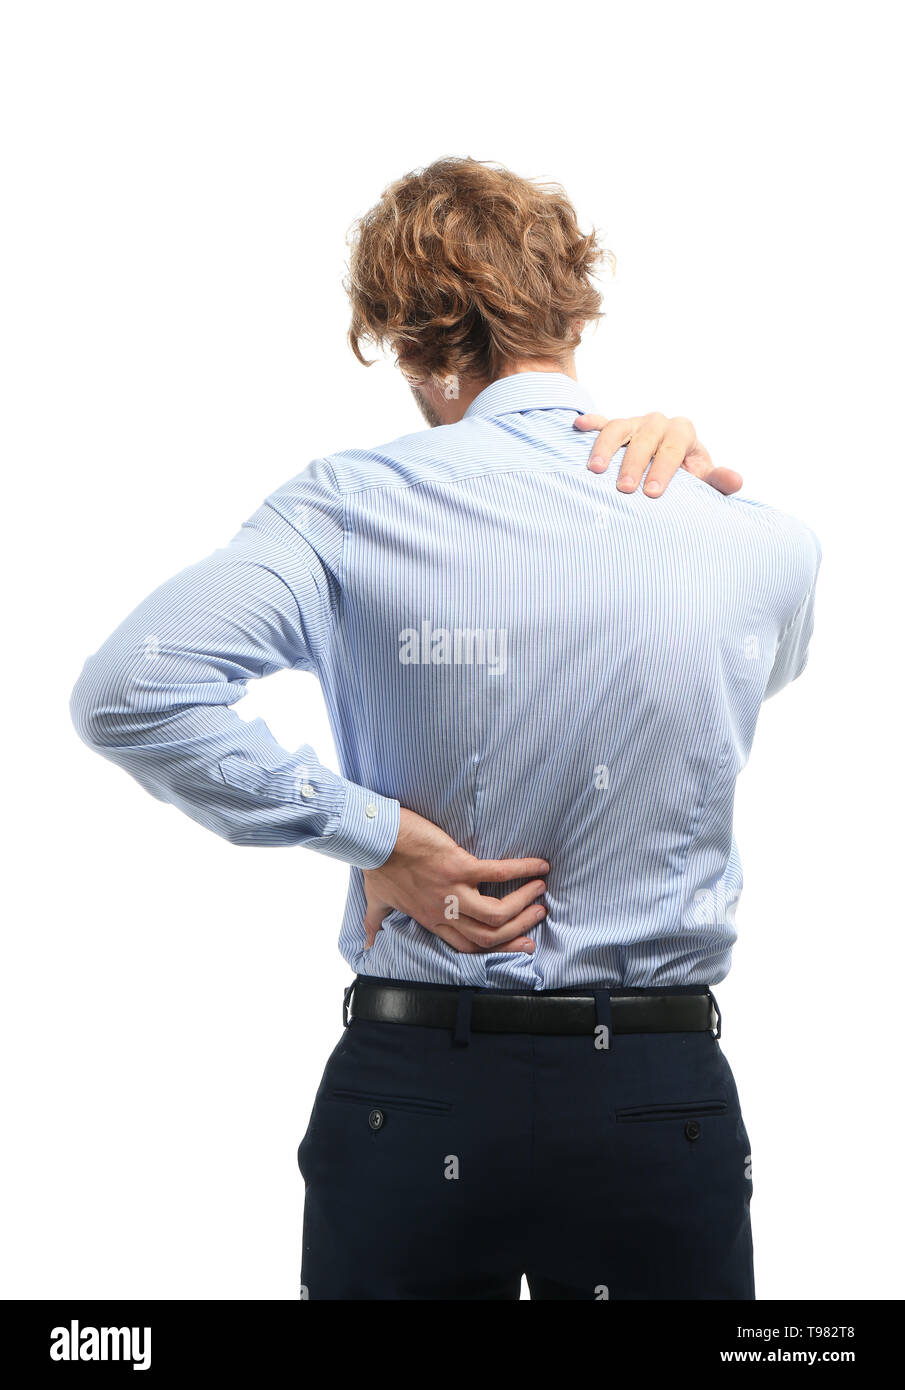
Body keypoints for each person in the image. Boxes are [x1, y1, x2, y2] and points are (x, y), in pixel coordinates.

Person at [71, 157, 820, 1300]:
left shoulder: (346, 504)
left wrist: (383, 839)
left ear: (413, 348)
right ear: (573, 306)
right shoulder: (759, 539)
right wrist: (687, 509)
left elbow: (131, 687)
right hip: (651, 1102)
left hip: (412, 1093)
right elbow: (735, 684)